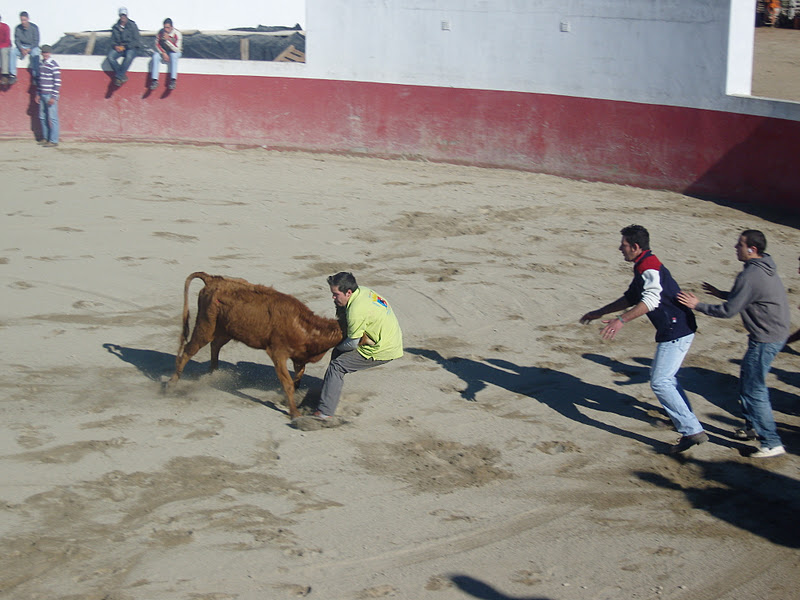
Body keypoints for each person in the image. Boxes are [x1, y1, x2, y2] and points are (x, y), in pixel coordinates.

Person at [580, 225, 706, 454]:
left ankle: (691, 429)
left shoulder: (649, 267)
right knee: (667, 379)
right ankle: (684, 421)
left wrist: (620, 321)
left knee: (660, 381)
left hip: (676, 329)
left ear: (636, 247)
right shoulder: (644, 264)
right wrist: (601, 311)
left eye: (624, 245)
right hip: (677, 327)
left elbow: (650, 302)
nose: (620, 248)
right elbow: (631, 297)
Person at [677, 230, 790, 458]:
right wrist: (723, 293)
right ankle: (752, 427)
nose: (735, 247)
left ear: (752, 249)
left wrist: (697, 305)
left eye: (740, 244)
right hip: (774, 333)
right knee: (747, 382)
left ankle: (771, 442)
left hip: (765, 338)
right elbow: (749, 295)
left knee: (753, 389)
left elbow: (728, 312)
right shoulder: (763, 266)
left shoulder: (749, 276)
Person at [313, 272, 403, 418]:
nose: (333, 298)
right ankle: (328, 395)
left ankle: (324, 413)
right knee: (338, 355)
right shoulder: (362, 291)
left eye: (336, 294)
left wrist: (333, 346)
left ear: (348, 292)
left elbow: (352, 344)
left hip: (382, 349)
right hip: (391, 337)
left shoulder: (356, 311)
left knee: (337, 366)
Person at [107, 7, 141, 86]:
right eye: (121, 15)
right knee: (110, 57)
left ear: (127, 15)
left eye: (124, 15)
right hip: (119, 47)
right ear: (119, 16)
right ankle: (121, 76)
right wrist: (115, 46)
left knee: (129, 56)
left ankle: (119, 77)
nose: (123, 17)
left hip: (131, 48)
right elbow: (112, 40)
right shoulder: (115, 27)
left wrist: (125, 47)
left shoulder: (132, 25)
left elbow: (136, 40)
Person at [35, 45, 60, 147]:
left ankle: (54, 140)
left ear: (50, 53)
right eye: (43, 52)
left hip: (50, 94)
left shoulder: (54, 65)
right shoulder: (41, 64)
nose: (45, 54)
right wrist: (38, 93)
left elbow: (57, 82)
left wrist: (53, 97)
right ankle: (46, 138)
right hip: (42, 94)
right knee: (42, 117)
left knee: (53, 118)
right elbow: (39, 81)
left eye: (46, 52)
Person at [149, 18, 182, 90]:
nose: (166, 29)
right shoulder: (160, 32)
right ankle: (154, 80)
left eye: (168, 27)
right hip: (164, 52)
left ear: (171, 27)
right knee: (155, 56)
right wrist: (163, 53)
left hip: (175, 52)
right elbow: (156, 44)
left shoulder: (177, 34)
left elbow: (177, 49)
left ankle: (173, 80)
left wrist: (167, 40)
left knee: (173, 56)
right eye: (164, 27)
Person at [12, 11, 40, 82]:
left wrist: (29, 49)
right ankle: (12, 75)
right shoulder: (18, 28)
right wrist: (21, 49)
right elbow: (17, 40)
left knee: (36, 54)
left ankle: (35, 75)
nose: (23, 22)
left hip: (32, 47)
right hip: (22, 47)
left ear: (28, 19)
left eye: (24, 20)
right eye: (22, 20)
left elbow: (36, 41)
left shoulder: (34, 27)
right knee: (12, 52)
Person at [0, 13, 12, 84]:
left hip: (5, 47)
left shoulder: (5, 27)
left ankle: (5, 75)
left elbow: (7, 41)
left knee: (3, 51)